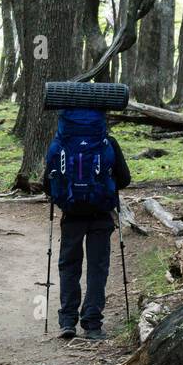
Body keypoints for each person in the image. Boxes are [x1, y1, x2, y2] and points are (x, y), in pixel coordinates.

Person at [44, 107, 131, 340]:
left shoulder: (59, 144)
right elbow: (125, 179)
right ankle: (92, 324)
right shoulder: (108, 143)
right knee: (97, 268)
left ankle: (67, 321)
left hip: (71, 216)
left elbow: (48, 183)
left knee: (69, 267)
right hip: (101, 215)